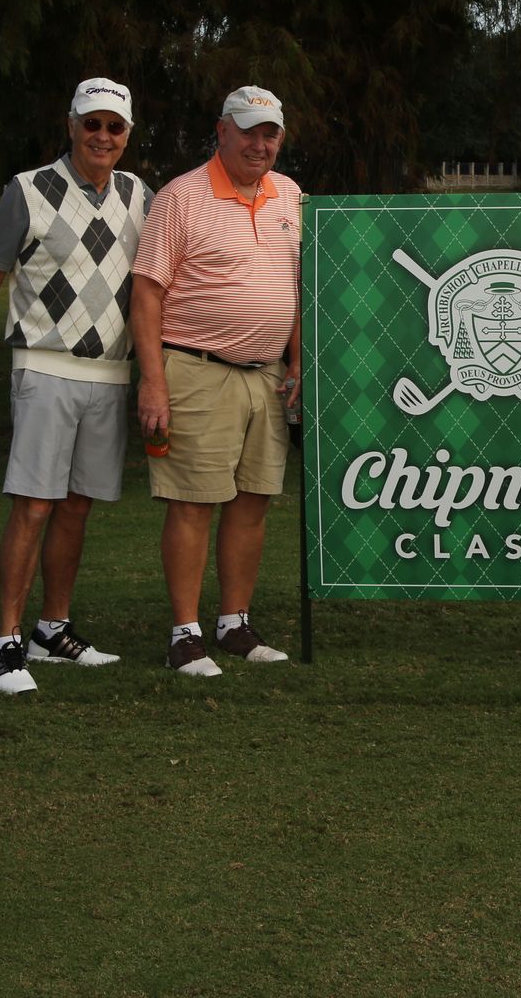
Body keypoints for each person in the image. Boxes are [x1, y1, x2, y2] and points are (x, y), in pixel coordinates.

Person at [0, 76, 151, 695]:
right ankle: (6, 644)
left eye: (115, 126)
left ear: (128, 134)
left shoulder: (141, 195)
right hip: (45, 366)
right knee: (34, 504)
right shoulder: (29, 190)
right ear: (71, 125)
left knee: (77, 506)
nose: (103, 136)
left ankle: (51, 631)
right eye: (92, 124)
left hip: (111, 373)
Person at [131, 85, 301, 678]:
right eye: (249, 131)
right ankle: (185, 634)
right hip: (196, 370)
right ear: (222, 131)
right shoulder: (182, 196)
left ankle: (234, 623)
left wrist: (298, 362)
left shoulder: (291, 197)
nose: (260, 144)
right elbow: (147, 292)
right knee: (192, 504)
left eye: (270, 133)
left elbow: (297, 294)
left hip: (267, 374)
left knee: (253, 500)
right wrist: (152, 383)